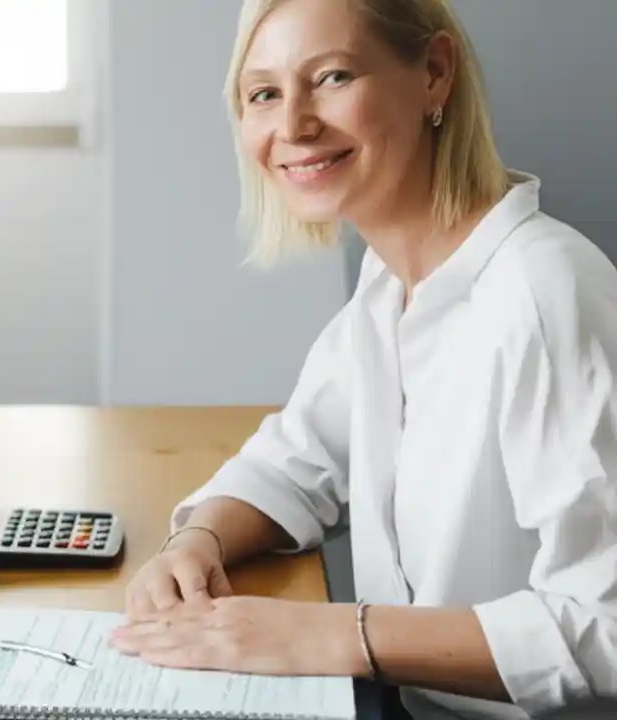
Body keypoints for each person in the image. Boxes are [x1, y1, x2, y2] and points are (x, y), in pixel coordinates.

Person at [107, 0, 617, 718]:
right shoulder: (391, 283)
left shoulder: (544, 293)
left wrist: (328, 634)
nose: (292, 126)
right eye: (264, 94)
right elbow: (296, 458)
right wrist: (197, 541)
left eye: (333, 76)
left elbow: (606, 628)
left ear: (434, 74)